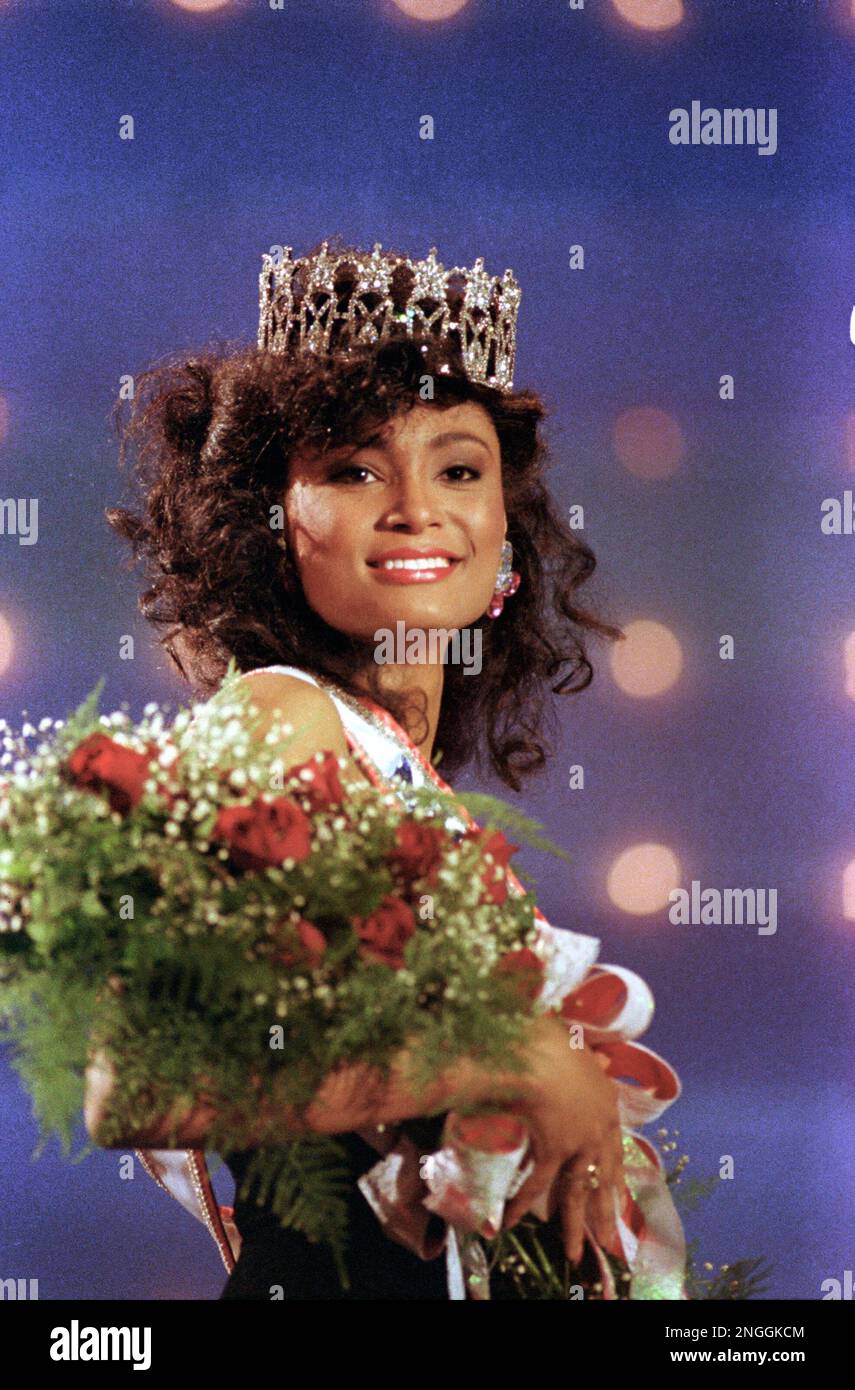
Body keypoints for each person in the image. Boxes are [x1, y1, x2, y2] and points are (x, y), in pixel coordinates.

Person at [89, 237, 687, 1300]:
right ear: (269, 522)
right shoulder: (282, 715)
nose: (417, 506)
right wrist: (505, 1057)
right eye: (354, 468)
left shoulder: (401, 770)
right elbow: (140, 1075)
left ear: (506, 540)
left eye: (459, 467)